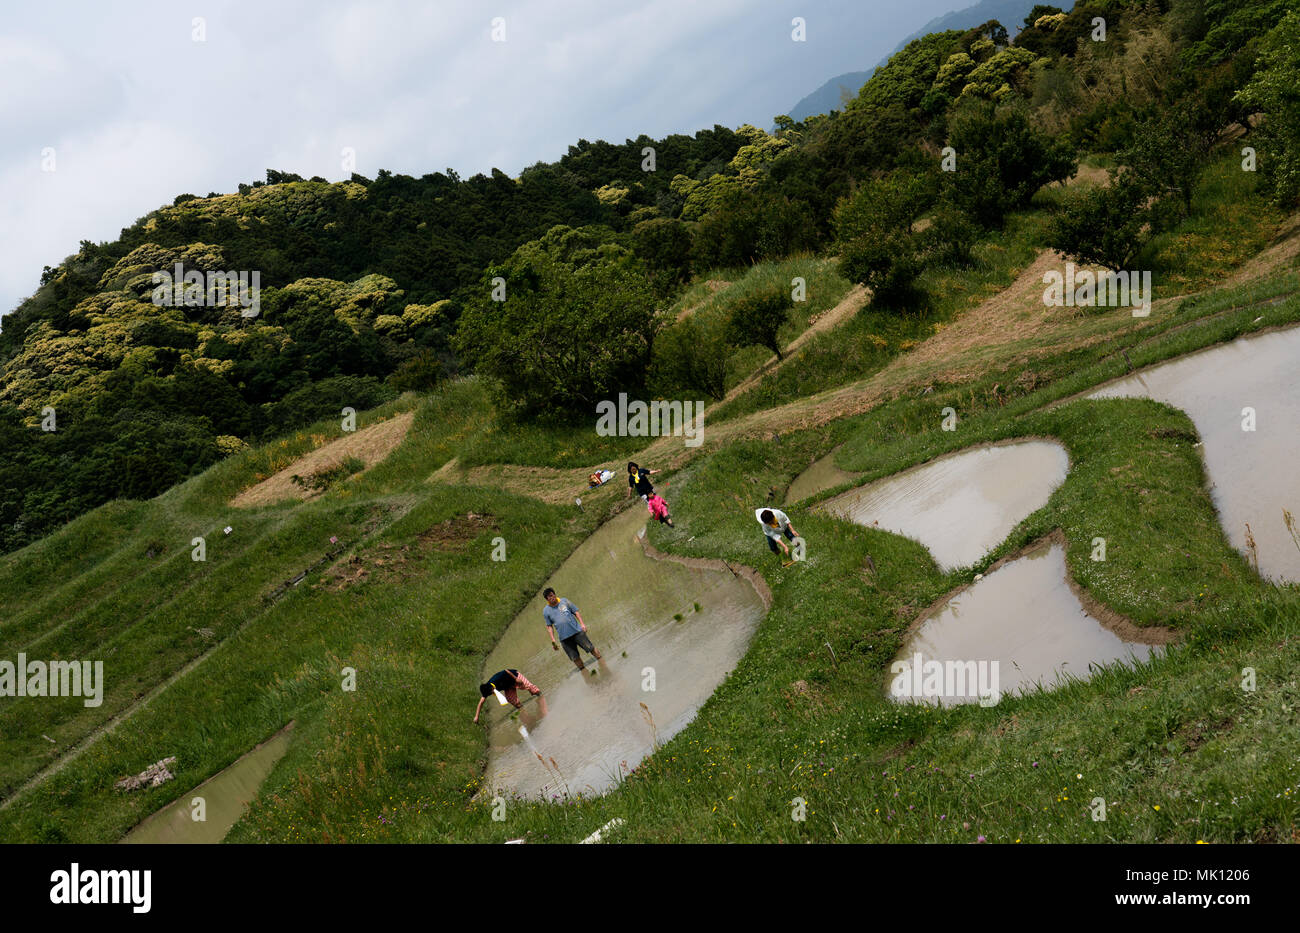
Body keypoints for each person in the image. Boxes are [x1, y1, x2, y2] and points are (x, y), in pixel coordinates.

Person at [542, 587, 602, 671]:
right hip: (564, 638)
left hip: (577, 632)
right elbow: (549, 626)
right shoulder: (546, 611)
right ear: (547, 599)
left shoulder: (564, 601)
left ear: (555, 594)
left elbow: (576, 612)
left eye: (552, 595)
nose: (552, 598)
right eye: (549, 597)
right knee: (575, 658)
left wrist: (582, 624)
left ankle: (602, 662)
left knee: (591, 648)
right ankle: (584, 671)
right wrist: (553, 640)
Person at [473, 669, 541, 722]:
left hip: (514, 676)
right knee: (516, 703)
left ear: (491, 687)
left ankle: (540, 696)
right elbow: (481, 702)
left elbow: (506, 671)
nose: (492, 692)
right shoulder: (486, 691)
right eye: (491, 693)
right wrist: (476, 717)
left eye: (492, 690)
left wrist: (516, 679)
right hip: (508, 687)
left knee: (534, 690)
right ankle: (524, 713)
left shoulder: (496, 679)